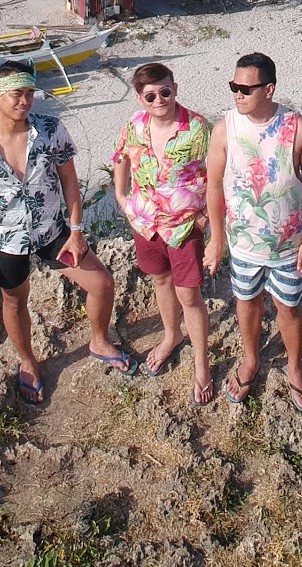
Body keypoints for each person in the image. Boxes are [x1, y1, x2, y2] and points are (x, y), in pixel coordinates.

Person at [0, 64, 133, 404]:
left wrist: (77, 231)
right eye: (16, 94)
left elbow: (70, 180)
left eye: (29, 93)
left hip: (53, 230)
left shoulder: (50, 130)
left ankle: (98, 339)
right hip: (4, 239)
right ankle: (28, 361)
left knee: (102, 284)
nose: (24, 101)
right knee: (14, 300)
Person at [205, 52, 302, 413]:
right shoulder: (225, 128)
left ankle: (295, 366)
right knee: (247, 302)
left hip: (287, 246)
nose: (237, 94)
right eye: (233, 86)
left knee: (288, 306)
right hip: (243, 245)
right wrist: (217, 238)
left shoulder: (299, 128)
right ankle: (251, 360)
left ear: (268, 89)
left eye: (245, 88)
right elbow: (213, 185)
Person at [112, 62, 214, 404]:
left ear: (175, 88)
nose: (160, 100)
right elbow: (121, 156)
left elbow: (218, 176)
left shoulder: (198, 128)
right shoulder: (135, 125)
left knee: (190, 296)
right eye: (151, 95)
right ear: (141, 99)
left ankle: (202, 364)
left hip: (184, 226)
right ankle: (171, 336)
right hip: (145, 223)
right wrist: (121, 196)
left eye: (165, 92)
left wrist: (205, 219)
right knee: (160, 281)